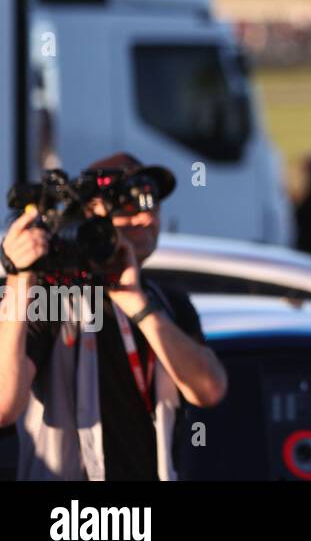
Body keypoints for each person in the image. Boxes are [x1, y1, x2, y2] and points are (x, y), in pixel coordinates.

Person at [0, 153, 227, 480]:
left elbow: (209, 389)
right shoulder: (52, 297)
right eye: (130, 206)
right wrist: (20, 277)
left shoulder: (167, 302)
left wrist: (137, 303)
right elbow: (5, 406)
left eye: (154, 206)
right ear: (92, 212)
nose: (147, 218)